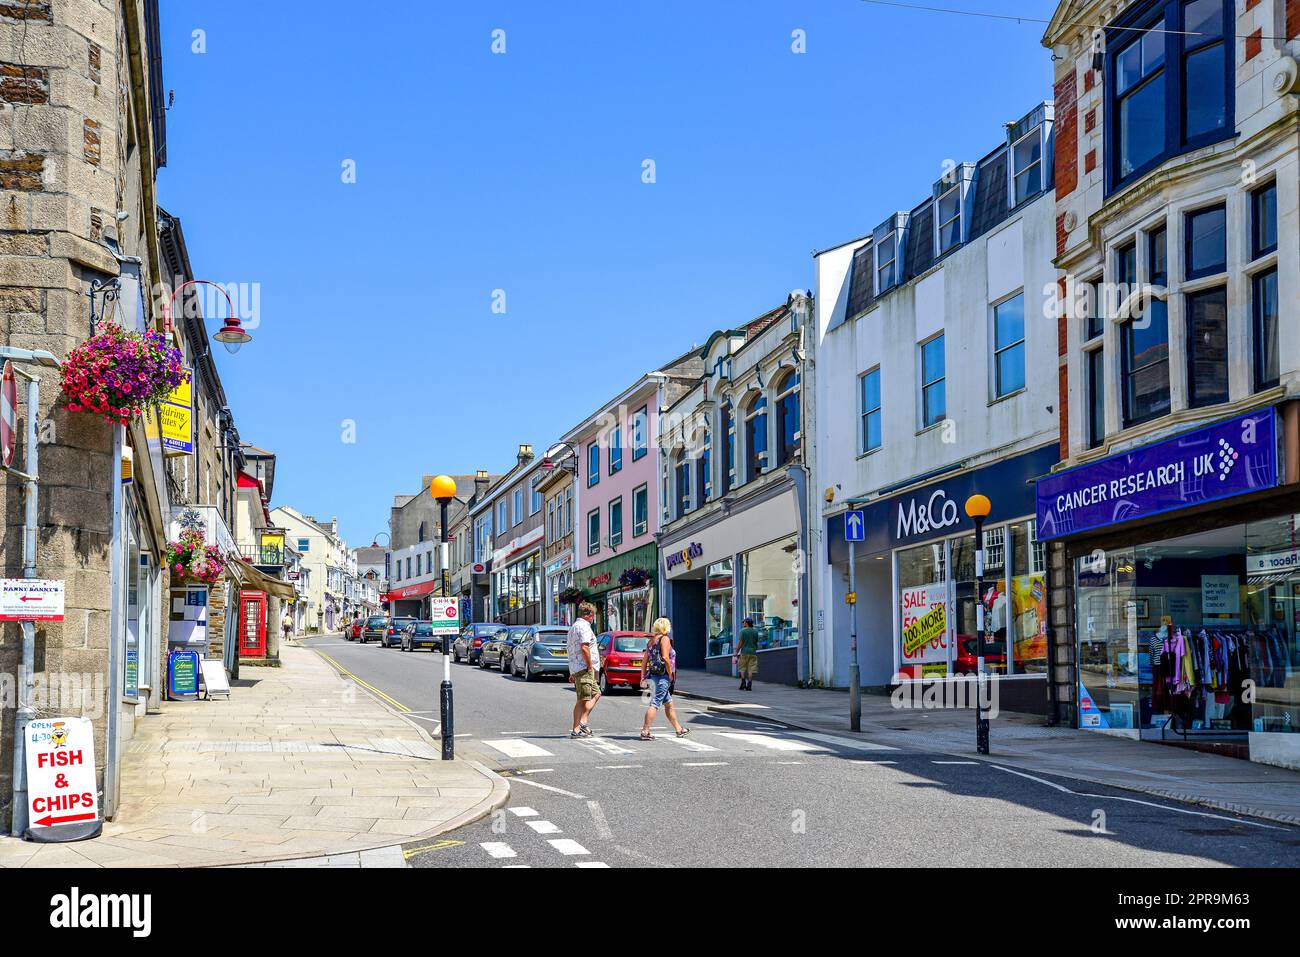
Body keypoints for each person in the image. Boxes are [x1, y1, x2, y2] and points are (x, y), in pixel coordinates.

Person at [639, 617, 688, 740]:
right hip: (663, 677)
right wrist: (670, 674)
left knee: (669, 704)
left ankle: (678, 729)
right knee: (655, 703)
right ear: (666, 627)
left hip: (654, 676)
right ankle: (645, 731)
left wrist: (643, 677)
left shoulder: (651, 641)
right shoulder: (665, 639)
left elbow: (644, 661)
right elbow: (666, 658)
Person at [566, 601, 601, 738]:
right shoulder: (584, 627)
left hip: (578, 667)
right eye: (593, 615)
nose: (594, 618)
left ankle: (583, 721)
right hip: (584, 667)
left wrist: (572, 671)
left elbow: (570, 650)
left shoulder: (574, 627)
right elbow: (584, 647)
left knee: (596, 693)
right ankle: (576, 729)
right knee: (582, 699)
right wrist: (590, 666)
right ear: (590, 615)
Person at [734, 617, 760, 691]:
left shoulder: (743, 631)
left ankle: (743, 683)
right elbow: (756, 641)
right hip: (753, 652)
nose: (743, 623)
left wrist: (736, 651)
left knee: (742, 668)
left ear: (746, 623)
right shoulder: (755, 631)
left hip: (744, 652)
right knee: (751, 669)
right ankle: (749, 684)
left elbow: (740, 643)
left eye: (744, 622)